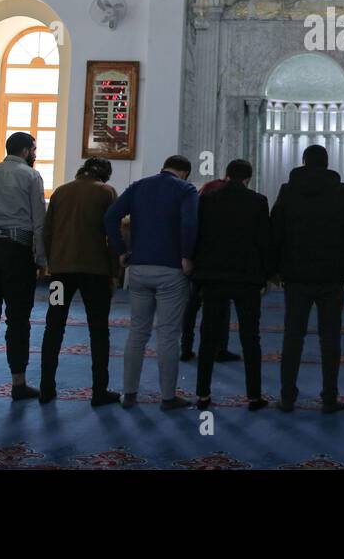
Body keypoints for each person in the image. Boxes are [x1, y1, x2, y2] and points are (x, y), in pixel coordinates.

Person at [106, 154, 198, 411]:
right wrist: (187, 256)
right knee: (168, 334)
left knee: (137, 332)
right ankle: (168, 397)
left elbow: (110, 217)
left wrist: (121, 250)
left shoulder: (139, 186)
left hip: (138, 268)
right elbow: (190, 223)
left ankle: (129, 394)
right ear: (185, 173)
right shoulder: (186, 189)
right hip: (170, 270)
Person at [271, 144, 344, 413]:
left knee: (293, 337)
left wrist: (275, 270)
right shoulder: (341, 192)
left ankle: (287, 397)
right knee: (330, 339)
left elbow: (275, 232)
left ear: (304, 161)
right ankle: (330, 398)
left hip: (296, 277)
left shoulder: (289, 190)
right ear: (327, 162)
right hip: (331, 277)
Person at [193, 159, 273, 411]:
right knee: (250, 338)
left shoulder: (207, 199)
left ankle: (203, 396)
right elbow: (264, 241)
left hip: (214, 276)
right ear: (248, 178)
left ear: (227, 175)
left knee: (208, 337)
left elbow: (199, 235)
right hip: (247, 278)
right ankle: (253, 397)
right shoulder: (258, 201)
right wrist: (267, 276)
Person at [39, 157, 119, 406]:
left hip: (61, 273)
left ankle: (46, 388)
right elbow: (112, 234)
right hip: (95, 272)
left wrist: (50, 263)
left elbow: (47, 231)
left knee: (54, 325)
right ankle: (99, 391)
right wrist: (114, 273)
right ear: (104, 174)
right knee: (98, 329)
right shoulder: (106, 192)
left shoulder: (61, 191)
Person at [0, 132, 45, 400]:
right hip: (17, 253)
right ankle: (18, 382)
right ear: (26, 151)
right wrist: (41, 260)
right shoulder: (30, 175)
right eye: (34, 149)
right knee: (18, 319)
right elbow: (39, 221)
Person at [180, 177, 236, 364]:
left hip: (198, 264)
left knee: (192, 305)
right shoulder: (228, 211)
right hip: (218, 266)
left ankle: (186, 348)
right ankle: (220, 349)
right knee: (221, 308)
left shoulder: (197, 208)